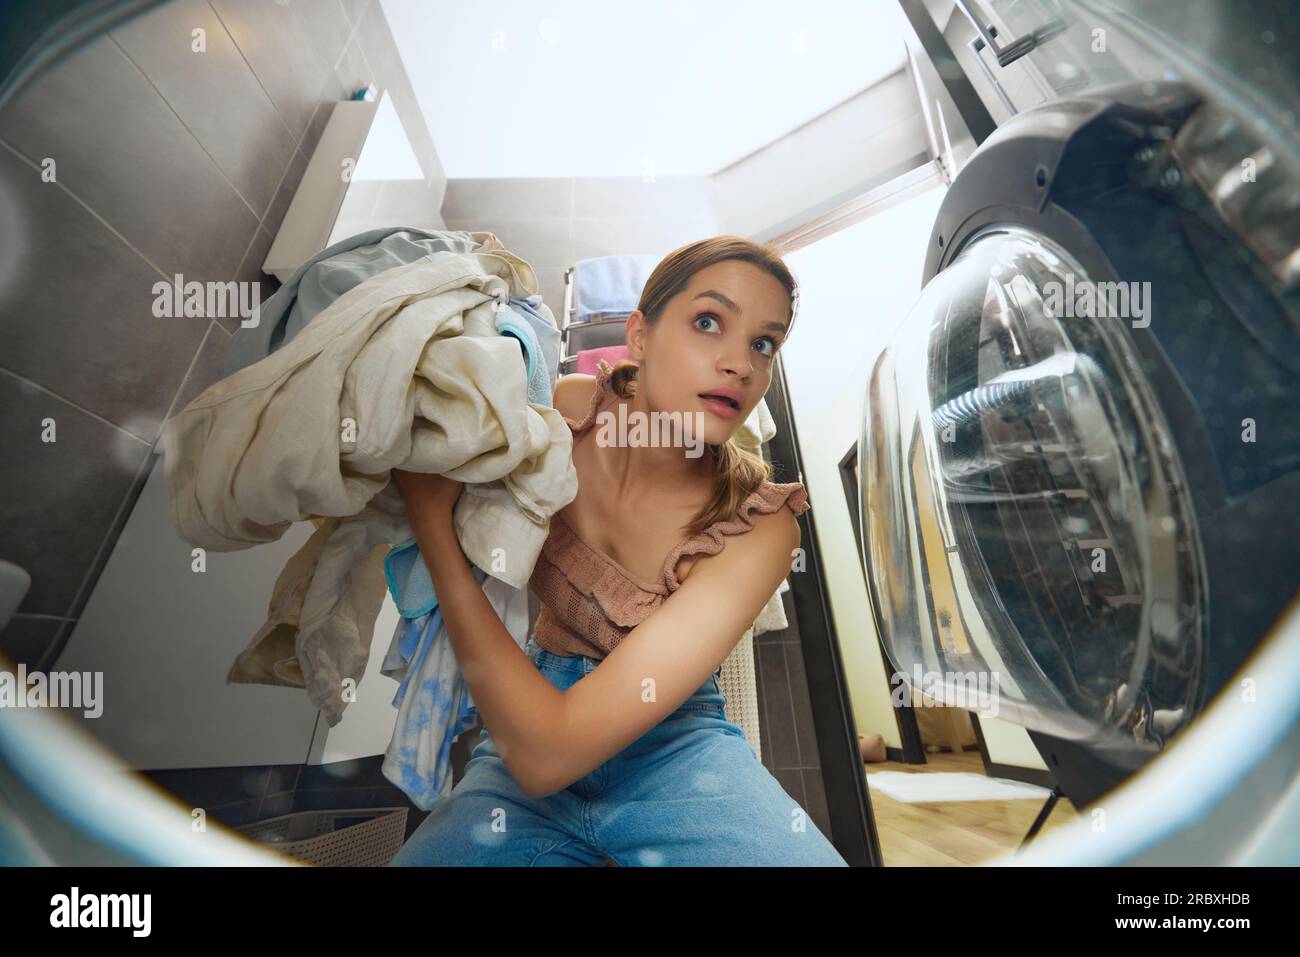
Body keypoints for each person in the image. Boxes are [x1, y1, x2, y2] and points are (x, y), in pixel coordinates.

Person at [386, 235, 847, 866]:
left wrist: (433, 531)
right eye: (709, 322)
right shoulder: (571, 411)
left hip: (677, 752)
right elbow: (452, 396)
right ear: (640, 336)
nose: (741, 364)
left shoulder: (760, 527)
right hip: (527, 736)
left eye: (764, 343)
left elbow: (550, 753)